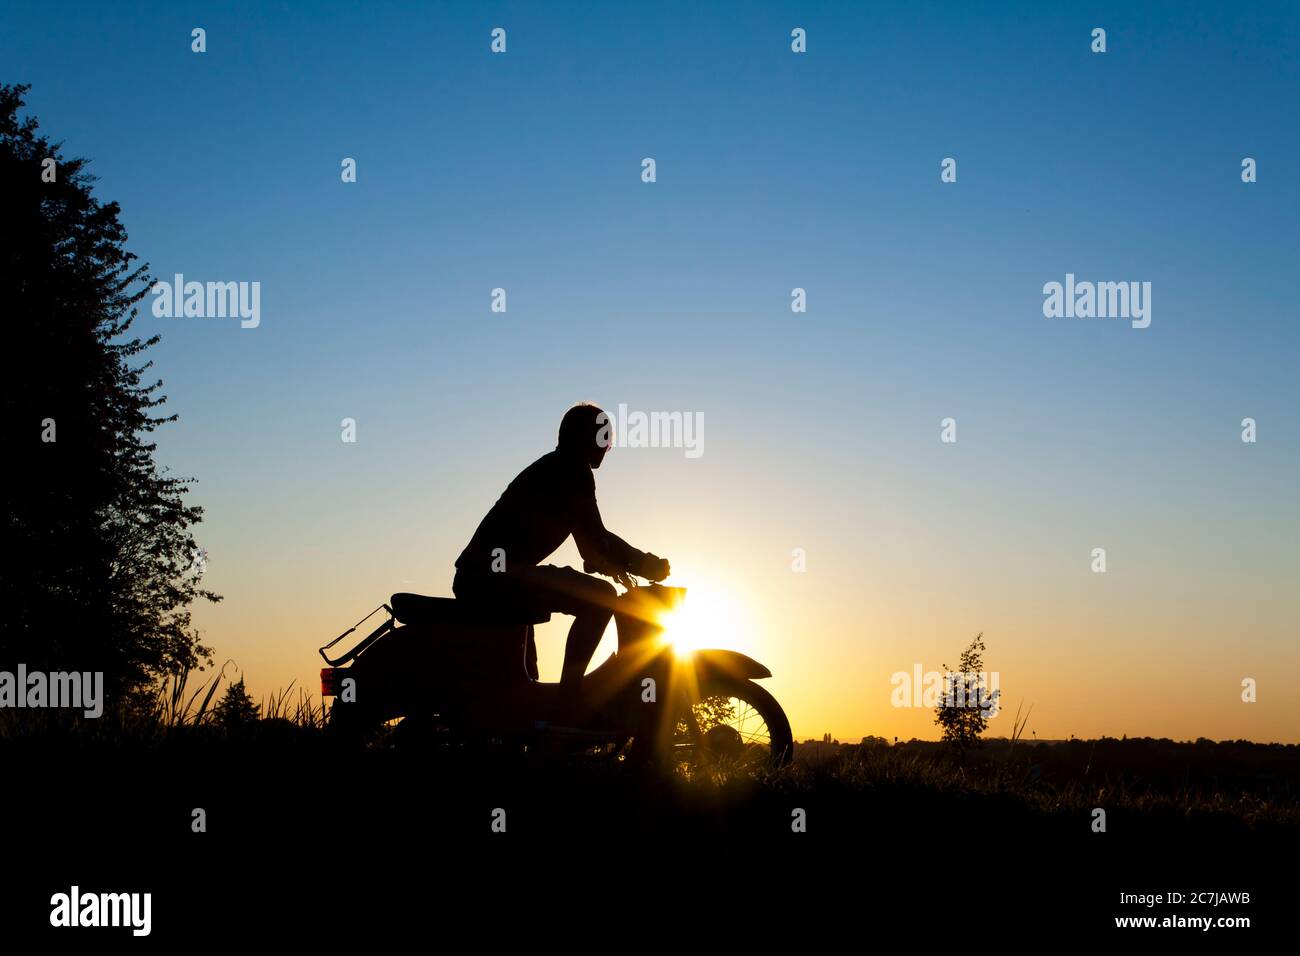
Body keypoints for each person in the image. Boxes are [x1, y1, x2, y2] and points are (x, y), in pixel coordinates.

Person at [453, 403, 670, 726]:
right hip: (494, 578)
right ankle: (568, 703)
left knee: (527, 671)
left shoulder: (556, 468)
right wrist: (647, 564)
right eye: (604, 439)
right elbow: (597, 539)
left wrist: (608, 561)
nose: (608, 448)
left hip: (485, 577)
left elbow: (590, 547)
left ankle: (540, 729)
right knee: (601, 598)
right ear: (585, 438)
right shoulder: (573, 470)